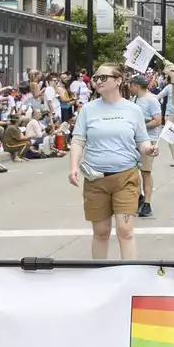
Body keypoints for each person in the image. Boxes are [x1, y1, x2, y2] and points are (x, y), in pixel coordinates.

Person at [69, 66, 151, 260]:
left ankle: (129, 275)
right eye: (96, 77)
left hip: (125, 177)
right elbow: (78, 140)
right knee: (101, 232)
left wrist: (148, 149)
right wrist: (73, 166)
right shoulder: (88, 109)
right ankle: (100, 275)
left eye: (103, 77)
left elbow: (142, 140)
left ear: (118, 80)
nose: (98, 81)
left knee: (125, 230)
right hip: (95, 178)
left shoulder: (133, 109)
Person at [128, 73, 164, 218]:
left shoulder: (151, 100)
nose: (129, 88)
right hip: (133, 141)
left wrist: (141, 126)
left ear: (136, 86)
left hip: (149, 139)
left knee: (145, 171)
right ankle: (139, 197)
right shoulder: (133, 99)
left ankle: (147, 203)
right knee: (132, 171)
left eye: (131, 85)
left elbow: (157, 120)